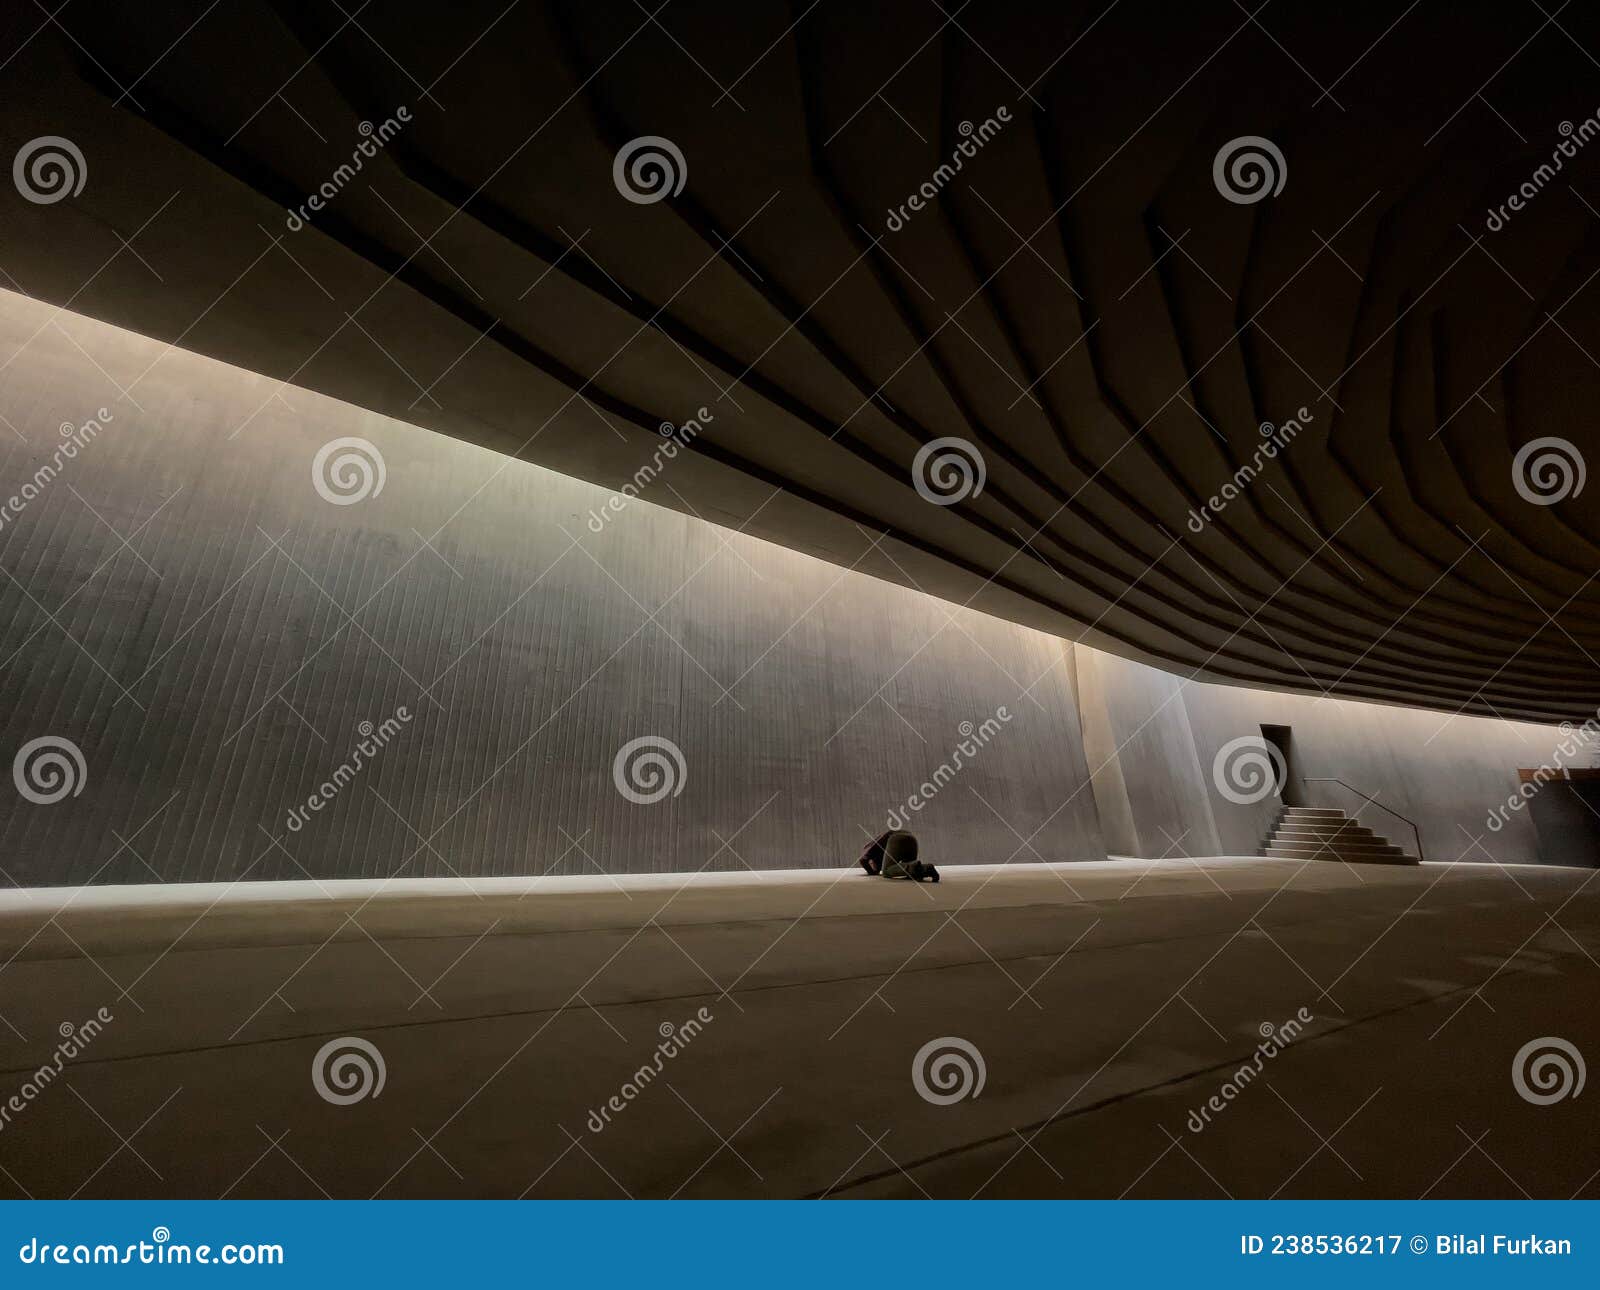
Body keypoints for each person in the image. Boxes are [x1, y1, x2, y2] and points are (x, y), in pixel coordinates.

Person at [857, 829, 939, 882]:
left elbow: (862, 860)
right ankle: (926, 869)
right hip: (911, 838)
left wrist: (872, 871)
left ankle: (922, 867)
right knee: (911, 873)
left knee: (886, 872)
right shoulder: (880, 851)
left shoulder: (868, 850)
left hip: (896, 838)